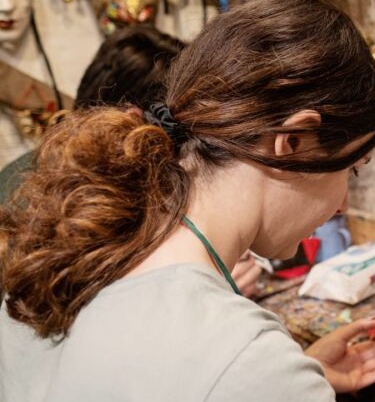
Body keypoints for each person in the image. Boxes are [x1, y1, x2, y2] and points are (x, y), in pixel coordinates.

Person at [0, 0, 375, 402]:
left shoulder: (69, 254)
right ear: (293, 141)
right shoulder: (243, 364)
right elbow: (221, 380)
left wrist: (296, 381)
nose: (345, 201)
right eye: (352, 168)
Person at [0, 25, 264, 299]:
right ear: (135, 124)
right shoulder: (54, 206)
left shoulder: (83, 180)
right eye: (177, 131)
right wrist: (206, 290)